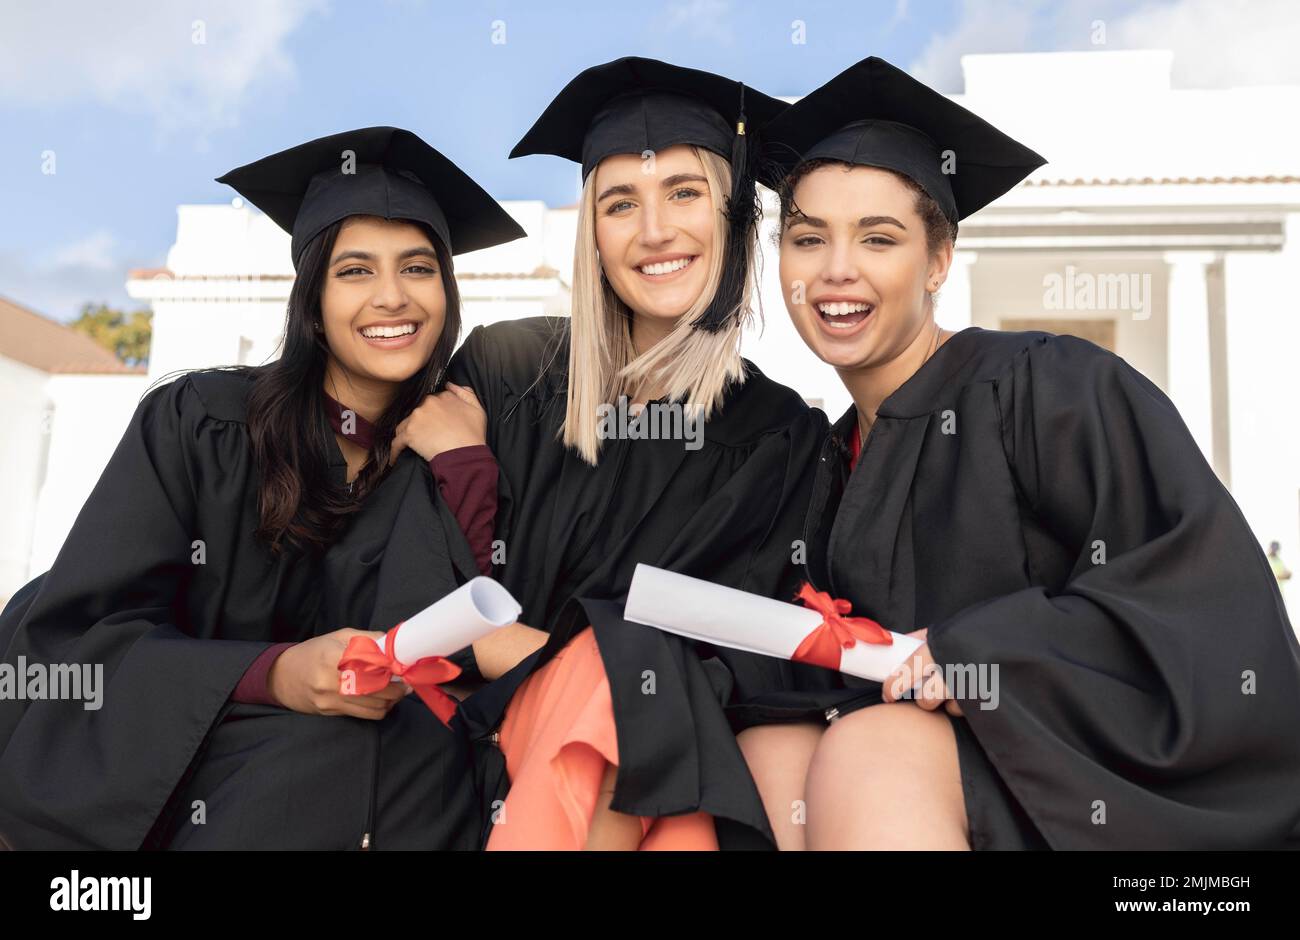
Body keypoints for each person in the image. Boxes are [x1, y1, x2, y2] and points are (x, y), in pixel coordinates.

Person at [738, 56, 1300, 850]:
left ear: (938, 262)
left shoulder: (1050, 386)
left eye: (879, 237)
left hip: (1103, 799)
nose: (837, 270)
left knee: (872, 750)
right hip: (917, 795)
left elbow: (1203, 611)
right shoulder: (824, 462)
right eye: (807, 238)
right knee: (771, 758)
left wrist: (984, 659)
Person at [0, 127, 525, 849]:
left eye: (418, 268)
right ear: (311, 297)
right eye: (355, 271)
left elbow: (450, 651)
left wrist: (464, 463)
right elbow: (80, 641)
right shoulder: (204, 423)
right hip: (166, 765)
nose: (392, 298)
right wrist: (272, 674)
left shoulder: (448, 446)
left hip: (355, 778)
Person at [432, 57, 828, 849]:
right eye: (620, 204)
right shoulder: (510, 372)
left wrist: (562, 653)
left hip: (667, 752)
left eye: (684, 192)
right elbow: (420, 574)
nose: (655, 231)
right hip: (472, 736)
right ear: (594, 237)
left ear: (732, 215)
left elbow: (760, 648)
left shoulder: (780, 435)